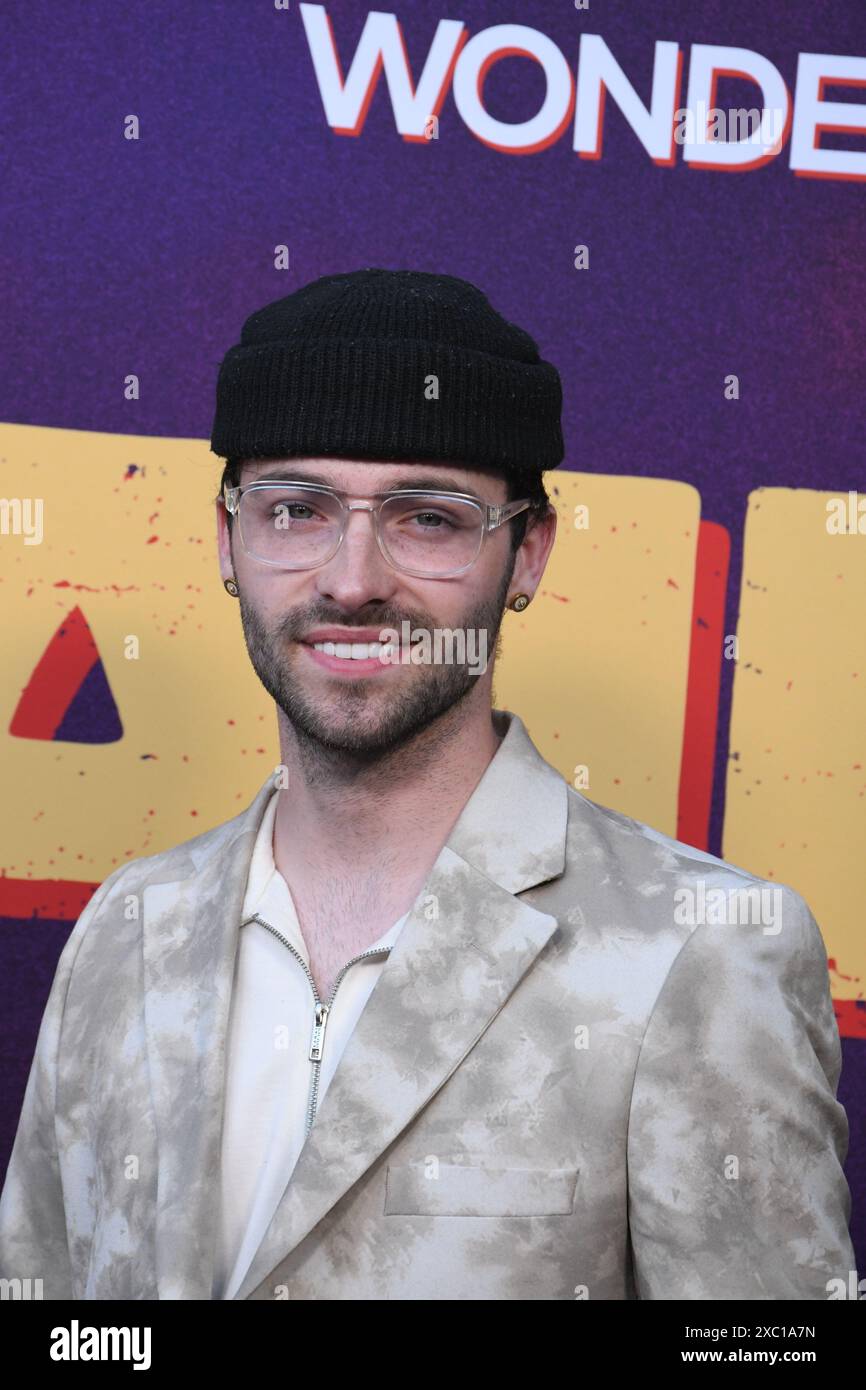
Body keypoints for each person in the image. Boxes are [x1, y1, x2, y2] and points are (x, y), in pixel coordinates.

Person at [0, 269, 855, 1301]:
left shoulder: (701, 948)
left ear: (526, 552)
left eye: (427, 518)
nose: (352, 579)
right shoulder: (127, 928)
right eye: (296, 508)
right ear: (228, 539)